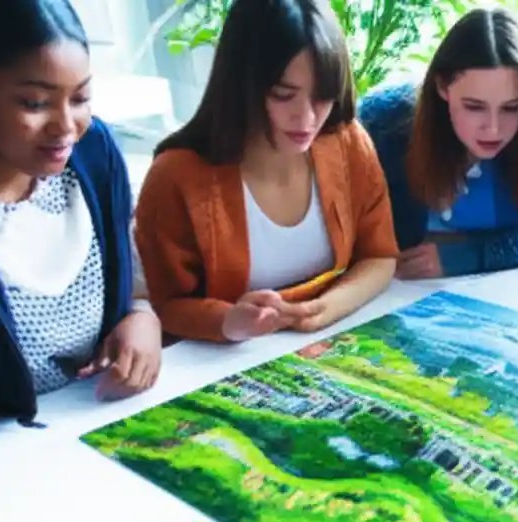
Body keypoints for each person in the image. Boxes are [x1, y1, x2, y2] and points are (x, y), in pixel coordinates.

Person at [0, 0, 161, 502]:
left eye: (80, 97)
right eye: (34, 104)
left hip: (96, 447)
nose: (66, 128)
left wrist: (140, 315)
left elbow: (131, 279)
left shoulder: (95, 152)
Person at [135, 0, 397, 343]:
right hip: (226, 358)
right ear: (242, 84)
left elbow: (380, 255)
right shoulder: (176, 176)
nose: (306, 119)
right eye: (283, 95)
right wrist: (229, 321)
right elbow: (164, 305)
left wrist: (325, 308)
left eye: (322, 97)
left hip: (328, 337)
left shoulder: (347, 143)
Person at [358, 8, 518, 280]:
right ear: (442, 86)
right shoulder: (382, 123)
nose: (493, 128)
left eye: (511, 108)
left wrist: (470, 256)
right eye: (474, 107)